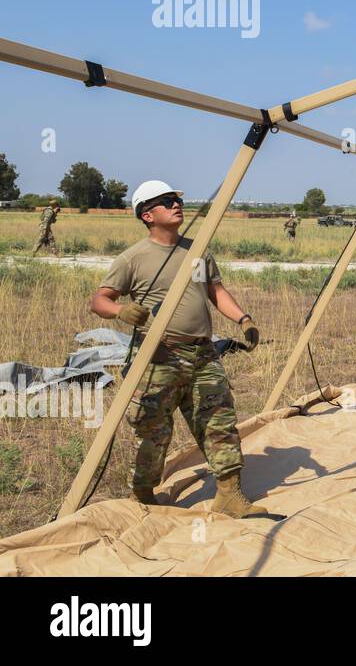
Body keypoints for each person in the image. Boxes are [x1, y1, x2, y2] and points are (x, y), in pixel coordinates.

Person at [90, 179, 270, 518]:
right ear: (147, 215)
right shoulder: (133, 258)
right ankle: (143, 497)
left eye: (177, 199)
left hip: (203, 354)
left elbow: (215, 291)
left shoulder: (198, 251)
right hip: (159, 357)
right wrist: (121, 311)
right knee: (154, 432)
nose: (176, 204)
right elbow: (100, 300)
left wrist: (243, 319)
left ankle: (230, 496)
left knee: (220, 423)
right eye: (167, 200)